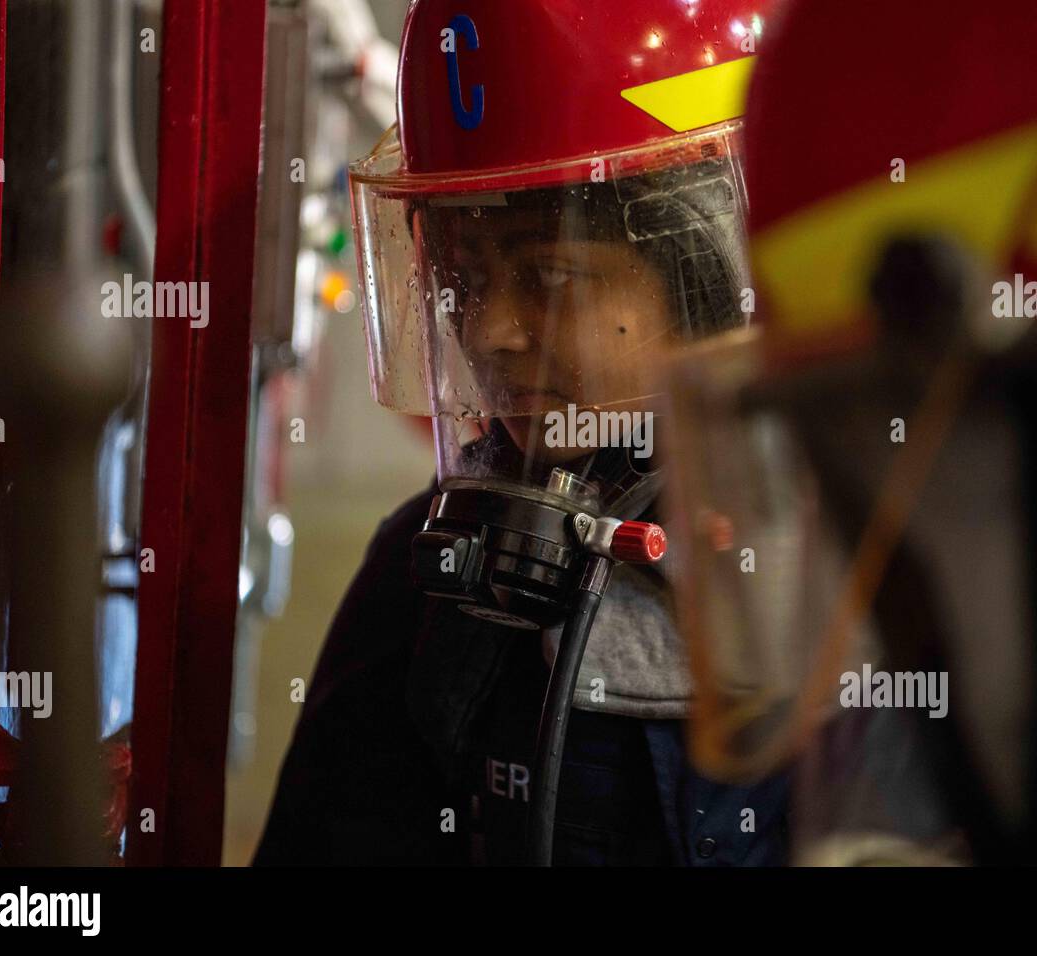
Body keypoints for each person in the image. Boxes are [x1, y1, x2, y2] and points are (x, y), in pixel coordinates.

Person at [254, 0, 790, 865]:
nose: (491, 330)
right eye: (464, 275)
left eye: (549, 273)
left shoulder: (856, 577)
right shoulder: (431, 571)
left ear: (712, 282)